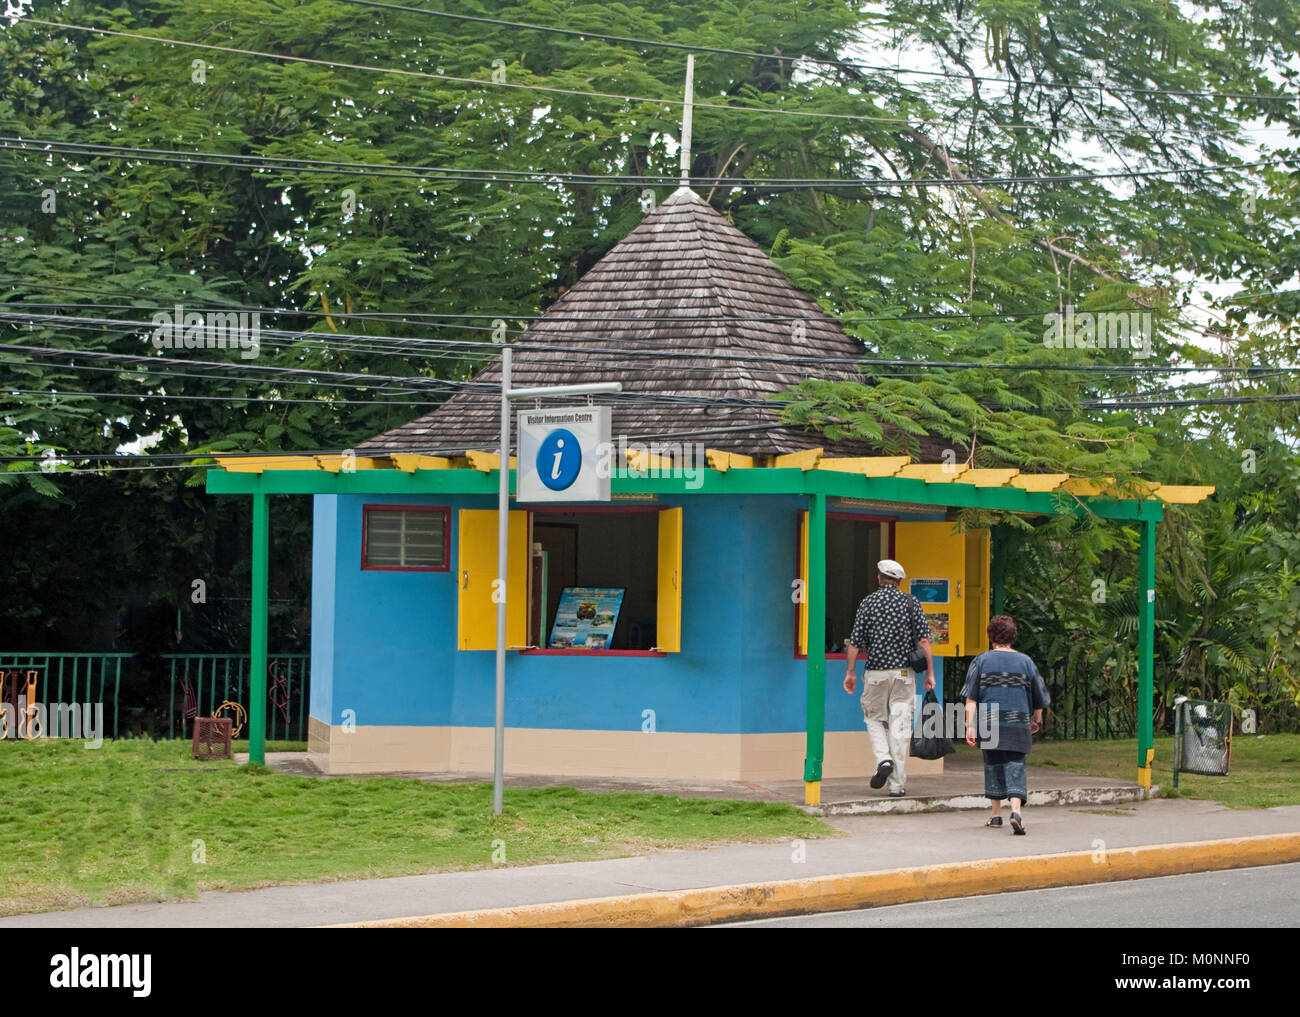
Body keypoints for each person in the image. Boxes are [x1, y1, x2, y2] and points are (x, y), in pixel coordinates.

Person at [843, 559, 935, 797]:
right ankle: (896, 785)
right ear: (900, 581)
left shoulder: (867, 603)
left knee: (874, 718)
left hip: (875, 673)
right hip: (904, 674)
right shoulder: (910, 602)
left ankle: (883, 759)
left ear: (878, 578)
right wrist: (930, 673)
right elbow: (924, 641)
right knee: (900, 728)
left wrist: (850, 672)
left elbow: (854, 643)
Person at [962, 615, 1049, 834]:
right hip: (1018, 723)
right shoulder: (1025, 662)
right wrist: (1036, 718)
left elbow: (970, 700)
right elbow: (1039, 697)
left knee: (993, 765)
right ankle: (1016, 811)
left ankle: (996, 815)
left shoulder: (981, 661)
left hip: (989, 723)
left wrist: (970, 726)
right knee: (1015, 765)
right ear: (1013, 636)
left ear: (991, 636)